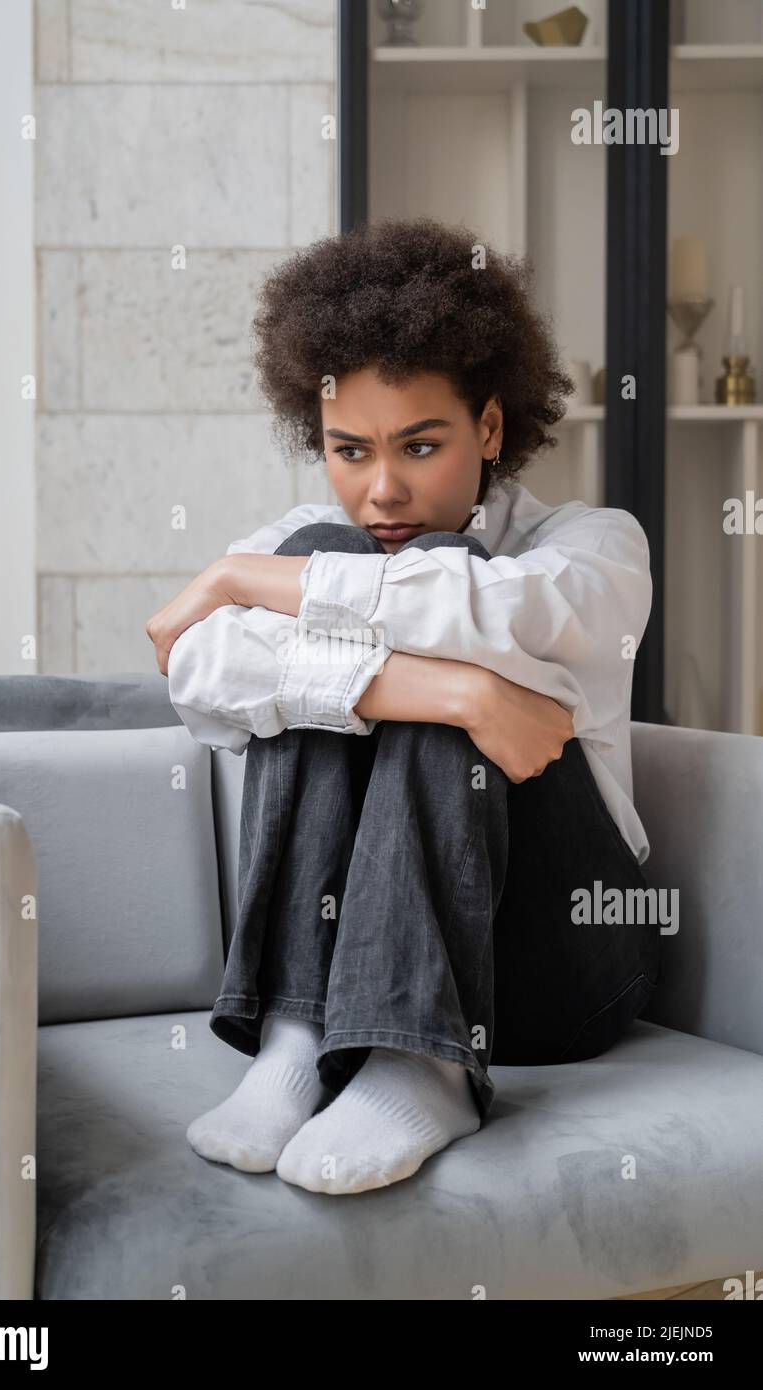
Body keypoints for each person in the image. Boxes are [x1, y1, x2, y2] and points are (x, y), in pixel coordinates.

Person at [145, 217, 660, 1196]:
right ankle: (299, 1037)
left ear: (491, 428)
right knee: (340, 583)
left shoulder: (594, 542)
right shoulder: (306, 537)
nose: (381, 489)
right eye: (347, 449)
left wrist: (237, 581)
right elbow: (199, 670)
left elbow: (483, 609)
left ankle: (417, 1066)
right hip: (343, 970)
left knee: (429, 581)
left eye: (420, 445)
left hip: (558, 966)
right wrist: (447, 691)